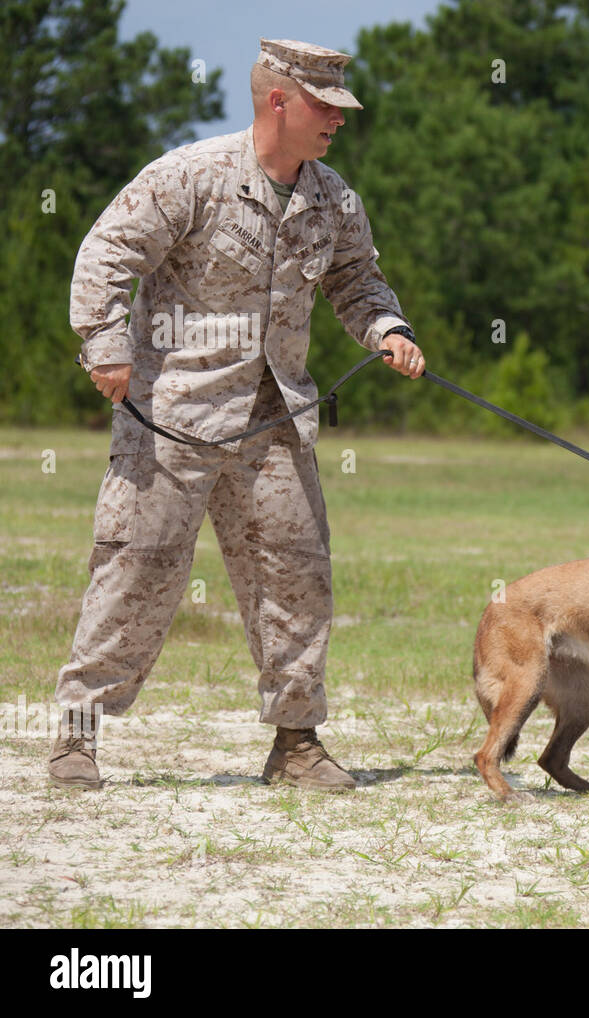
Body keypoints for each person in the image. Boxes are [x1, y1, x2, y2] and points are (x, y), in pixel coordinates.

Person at [49, 39, 426, 791]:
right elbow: (105, 252)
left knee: (296, 575)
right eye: (325, 107)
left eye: (342, 110)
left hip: (274, 416)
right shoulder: (191, 176)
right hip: (173, 412)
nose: (339, 122)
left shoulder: (333, 199)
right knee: (134, 567)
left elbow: (358, 282)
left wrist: (389, 329)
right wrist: (104, 343)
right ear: (277, 101)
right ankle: (75, 737)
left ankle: (296, 744)